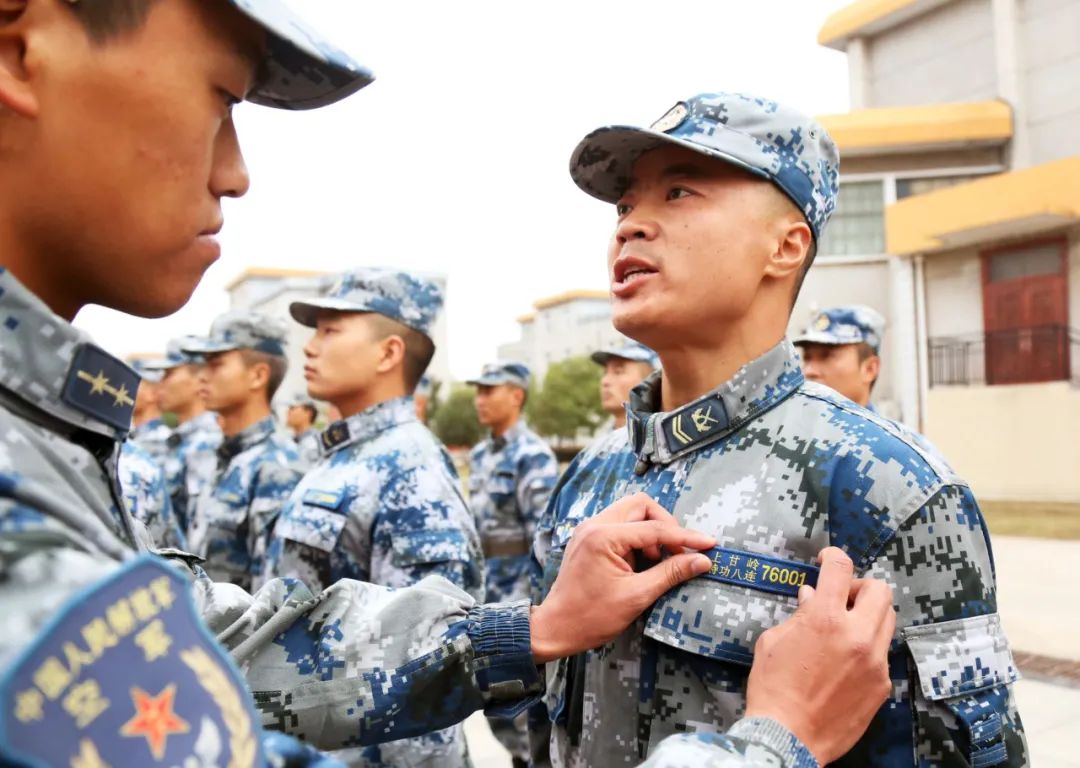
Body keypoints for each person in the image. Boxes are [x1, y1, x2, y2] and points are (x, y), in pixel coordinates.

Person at [0, 2, 899, 764]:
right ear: (21, 44)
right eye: (221, 98)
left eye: (683, 194)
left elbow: (219, 644)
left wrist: (525, 629)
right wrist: (774, 741)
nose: (236, 171)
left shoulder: (887, 484)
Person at [531, 92, 1027, 767]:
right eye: (624, 207)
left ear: (785, 247)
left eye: (678, 192)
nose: (630, 227)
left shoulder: (888, 485)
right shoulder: (589, 478)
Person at [264, 268, 483, 765]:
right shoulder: (346, 456)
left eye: (330, 330)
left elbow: (427, 660)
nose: (310, 347)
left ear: (389, 352)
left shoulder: (411, 467)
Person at [467, 360, 559, 766]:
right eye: (478, 390)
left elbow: (547, 540)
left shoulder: (532, 456)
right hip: (485, 598)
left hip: (519, 603)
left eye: (490, 390)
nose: (479, 399)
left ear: (516, 396)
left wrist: (540, 607)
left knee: (524, 706)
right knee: (493, 705)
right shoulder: (481, 455)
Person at [182, 310, 301, 591]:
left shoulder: (278, 467)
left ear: (258, 375)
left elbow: (272, 598)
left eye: (216, 364)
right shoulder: (214, 454)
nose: (202, 376)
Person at [794, 305, 949, 463]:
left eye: (826, 356)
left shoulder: (909, 453)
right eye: (807, 358)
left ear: (869, 369)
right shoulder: (787, 440)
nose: (809, 370)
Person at [142, 338, 223, 533]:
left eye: (170, 373)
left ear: (199, 379)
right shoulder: (180, 440)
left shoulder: (210, 441)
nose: (160, 383)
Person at [591, 339, 658, 430]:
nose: (605, 381)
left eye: (618, 372)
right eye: (605, 372)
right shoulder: (600, 441)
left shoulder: (663, 438)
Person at [127, 358, 172, 462]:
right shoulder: (129, 433)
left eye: (132, 385)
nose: (124, 391)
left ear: (152, 393)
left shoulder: (162, 438)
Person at [286, 394, 322, 468]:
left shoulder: (318, 441)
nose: (288, 412)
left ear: (308, 413)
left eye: (292, 408)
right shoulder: (287, 442)